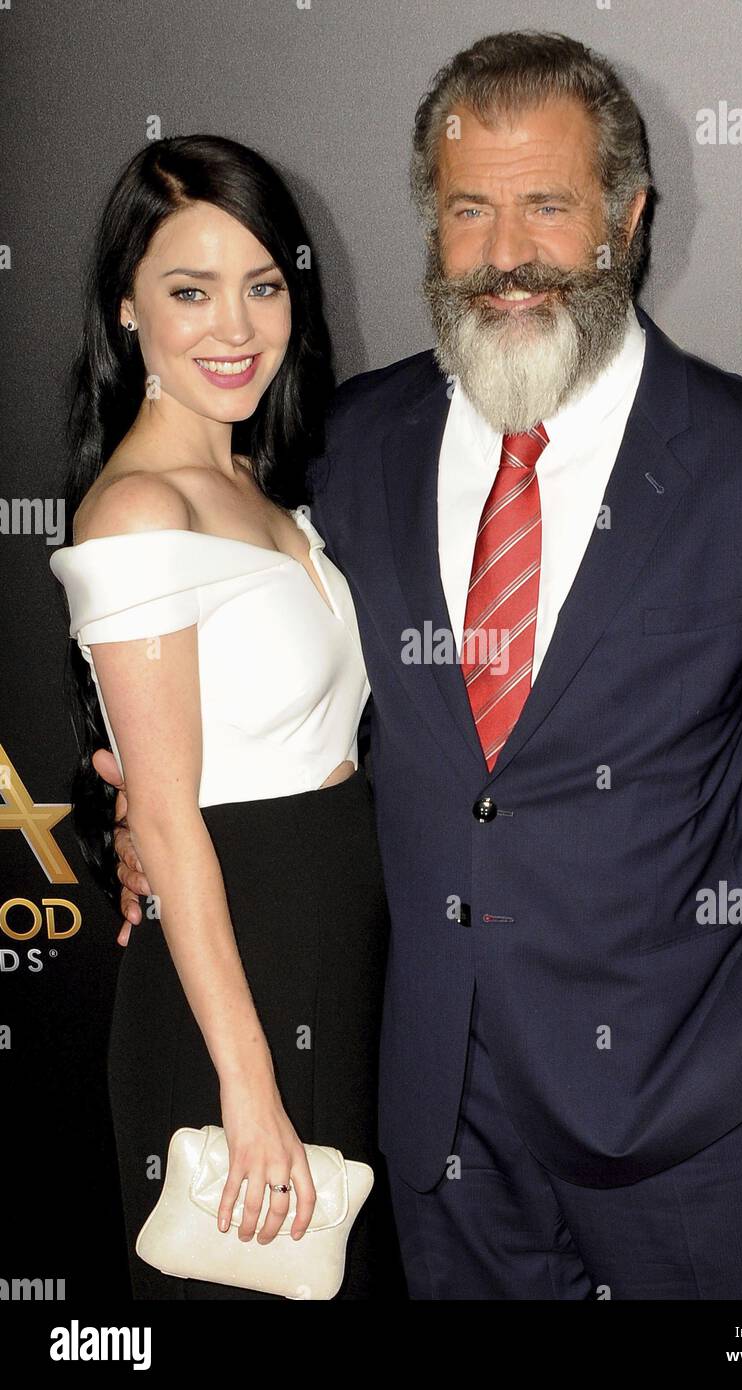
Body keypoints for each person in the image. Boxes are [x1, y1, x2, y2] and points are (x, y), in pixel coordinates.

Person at [101, 34, 742, 1299]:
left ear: (625, 220)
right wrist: (147, 803)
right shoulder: (358, 440)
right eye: (468, 208)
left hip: (692, 1139)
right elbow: (232, 639)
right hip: (430, 1128)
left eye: (546, 204)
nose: (503, 251)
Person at [50, 133, 405, 1300]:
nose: (234, 328)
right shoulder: (140, 511)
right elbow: (167, 815)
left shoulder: (261, 488)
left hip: (325, 951)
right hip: (230, 986)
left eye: (261, 286)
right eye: (188, 291)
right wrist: (247, 1086)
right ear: (127, 312)